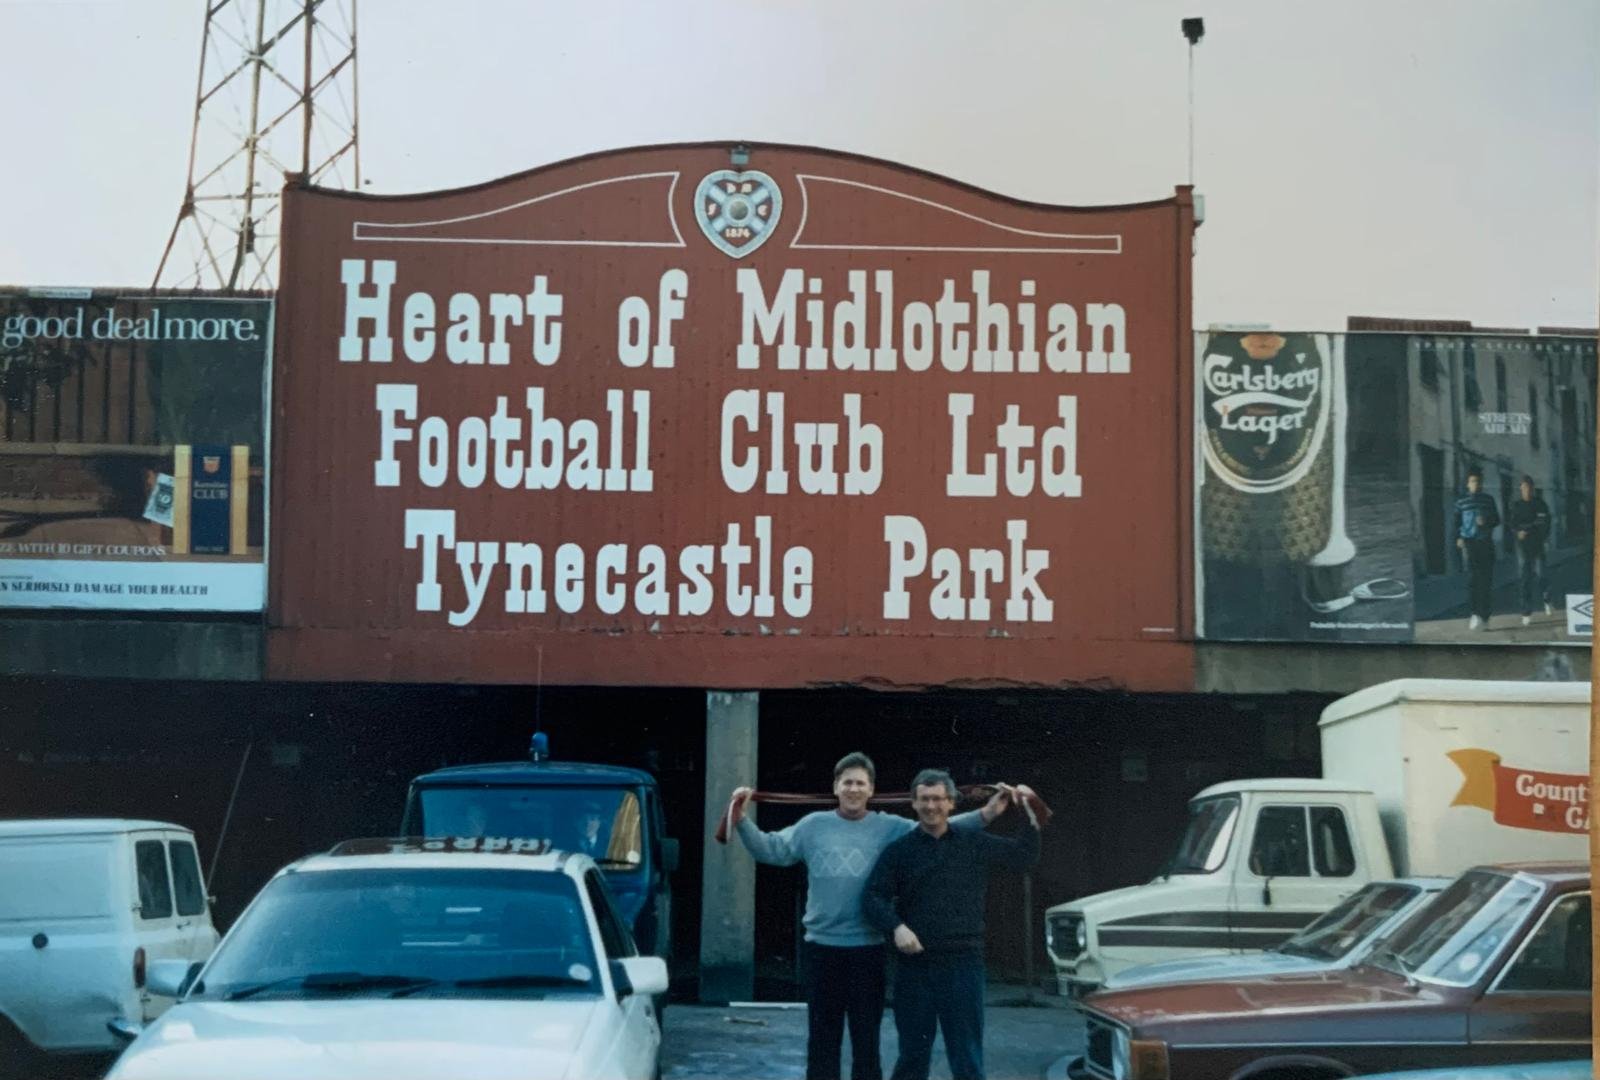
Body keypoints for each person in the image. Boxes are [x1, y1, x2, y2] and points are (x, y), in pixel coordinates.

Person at [729, 754, 1008, 1080]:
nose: (853, 788)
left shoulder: (889, 827)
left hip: (867, 950)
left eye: (860, 782)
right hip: (822, 950)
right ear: (836, 786)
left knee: (866, 1041)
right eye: (847, 782)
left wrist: (987, 813)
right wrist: (741, 820)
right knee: (822, 1039)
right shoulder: (812, 825)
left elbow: (938, 825)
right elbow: (770, 849)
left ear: (871, 789)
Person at [862, 769, 1039, 1080]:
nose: (932, 806)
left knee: (966, 1055)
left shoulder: (974, 842)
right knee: (912, 1056)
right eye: (925, 800)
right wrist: (897, 927)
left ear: (951, 804)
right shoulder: (899, 851)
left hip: (963, 965)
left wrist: (1029, 810)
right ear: (914, 804)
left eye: (938, 799)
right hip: (915, 967)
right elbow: (872, 897)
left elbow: (1023, 856)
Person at [1453, 467, 1500, 630]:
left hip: (1486, 543)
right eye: (1473, 481)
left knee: (1486, 581)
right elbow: (1456, 522)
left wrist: (1486, 520)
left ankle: (1485, 617)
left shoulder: (1488, 500)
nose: (1476, 484)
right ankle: (1474, 614)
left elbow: (1497, 520)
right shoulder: (1461, 501)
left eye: (1478, 481)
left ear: (1482, 483)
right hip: (1470, 542)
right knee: (1473, 579)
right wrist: (1458, 538)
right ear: (1468, 484)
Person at [1508, 474, 1553, 626]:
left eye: (1529, 488)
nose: (1527, 490)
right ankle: (1526, 612)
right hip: (1523, 547)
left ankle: (1547, 600)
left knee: (1542, 575)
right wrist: (1517, 532)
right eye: (1524, 488)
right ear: (1521, 489)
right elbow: (1512, 524)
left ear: (1533, 489)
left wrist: (1543, 537)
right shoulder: (1516, 505)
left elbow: (1546, 522)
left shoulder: (1540, 504)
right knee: (1524, 579)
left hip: (1538, 544)